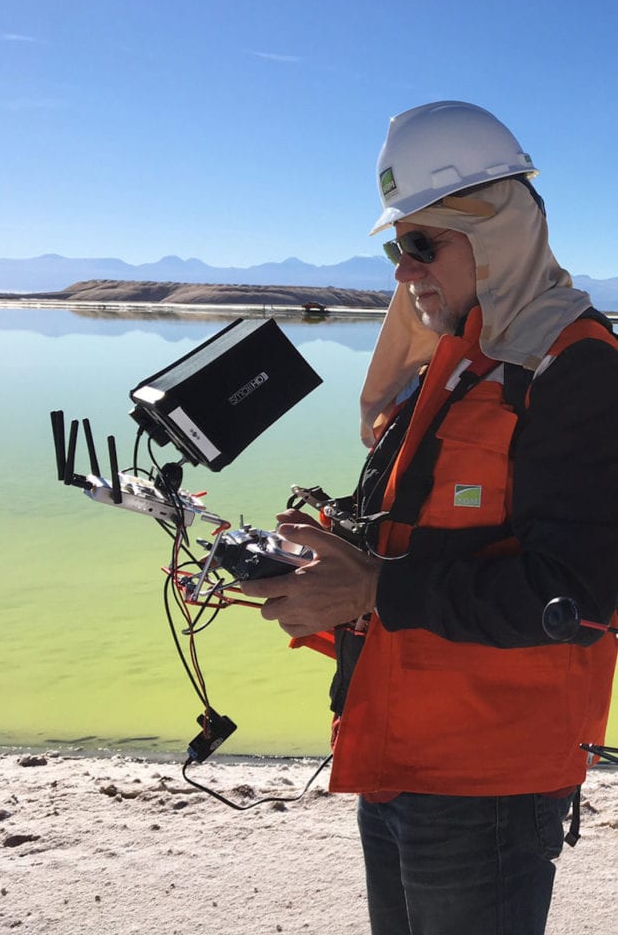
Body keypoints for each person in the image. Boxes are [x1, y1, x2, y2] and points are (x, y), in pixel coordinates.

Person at [244, 101, 618, 935]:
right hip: (396, 749)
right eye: (396, 246)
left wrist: (374, 587)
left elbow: (579, 601)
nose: (405, 271)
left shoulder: (576, 371)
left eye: (423, 245)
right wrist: (330, 568)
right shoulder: (455, 366)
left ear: (498, 235)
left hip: (488, 779)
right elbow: (417, 539)